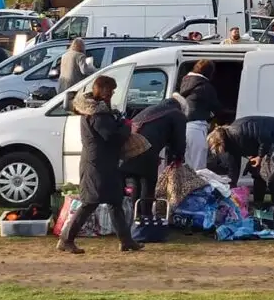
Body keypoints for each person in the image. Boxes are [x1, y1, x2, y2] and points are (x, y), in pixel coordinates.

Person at [57, 77, 142, 254]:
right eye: (110, 90)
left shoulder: (91, 110)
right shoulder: (97, 113)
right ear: (102, 90)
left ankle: (126, 241)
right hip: (98, 165)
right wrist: (128, 129)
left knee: (115, 201)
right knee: (90, 203)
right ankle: (66, 239)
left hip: (100, 162)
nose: (112, 93)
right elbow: (110, 136)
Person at [208, 115, 274, 213]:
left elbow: (265, 138)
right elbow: (234, 167)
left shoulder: (239, 131)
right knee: (257, 173)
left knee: (270, 172)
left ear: (220, 142)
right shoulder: (230, 144)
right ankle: (258, 204)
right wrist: (231, 186)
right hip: (266, 141)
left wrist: (260, 157)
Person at [120, 97, 187, 206]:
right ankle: (145, 215)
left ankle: (132, 213)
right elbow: (179, 141)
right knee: (148, 183)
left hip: (130, 148)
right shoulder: (177, 115)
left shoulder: (152, 109)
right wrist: (178, 158)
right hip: (145, 149)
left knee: (134, 181)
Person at [178, 59, 221, 171]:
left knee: (188, 164)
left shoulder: (185, 82)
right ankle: (197, 188)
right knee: (199, 167)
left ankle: (188, 187)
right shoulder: (206, 87)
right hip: (197, 127)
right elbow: (216, 108)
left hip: (184, 127)